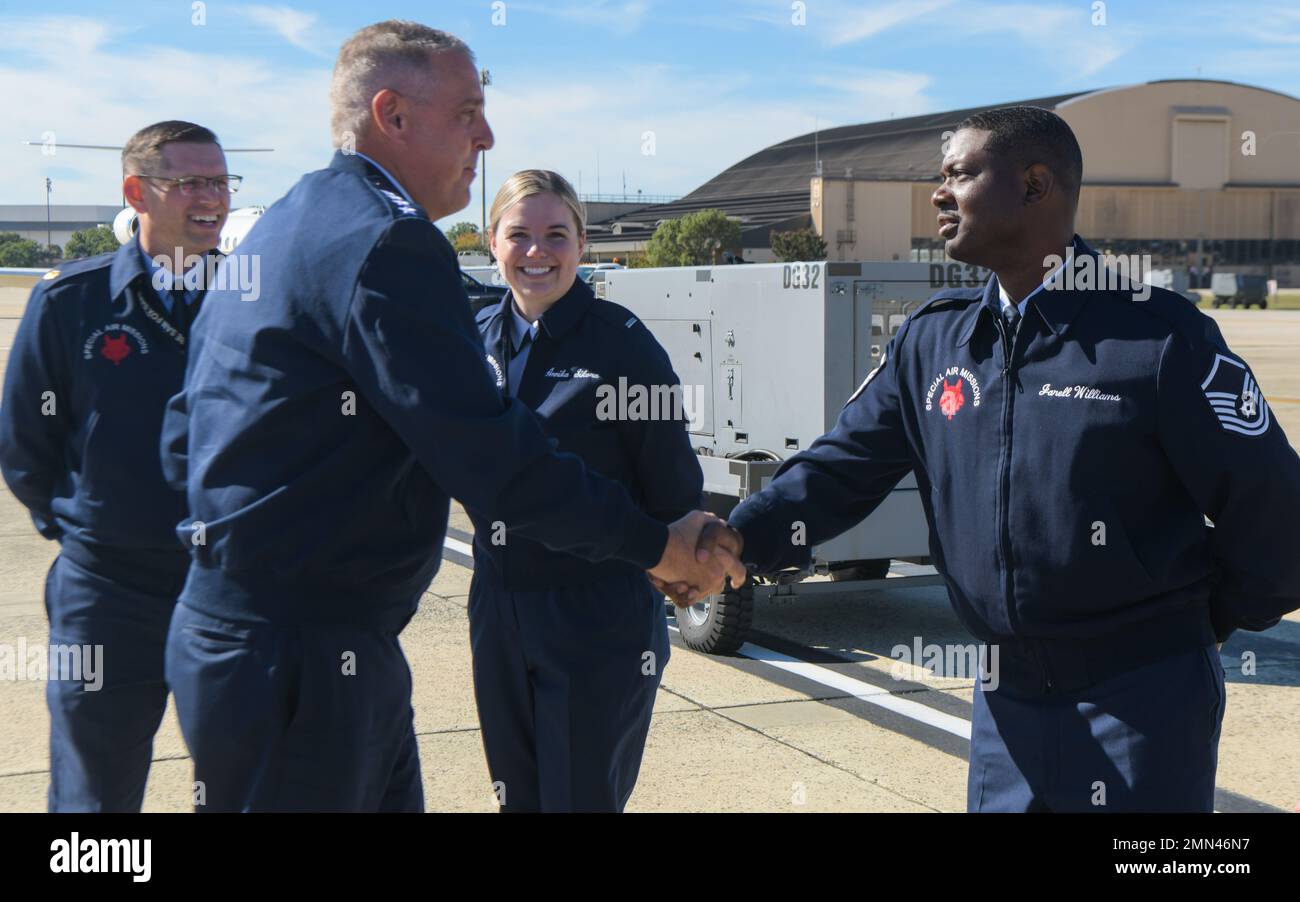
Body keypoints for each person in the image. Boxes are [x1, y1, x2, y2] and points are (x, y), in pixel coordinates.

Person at [158, 21, 739, 812]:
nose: (487, 134)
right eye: (468, 112)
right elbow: (494, 459)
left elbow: (183, 430)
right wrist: (655, 546)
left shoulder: (291, 223)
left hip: (279, 642)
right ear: (392, 115)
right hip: (302, 659)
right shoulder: (385, 243)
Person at [684, 106, 1300, 812]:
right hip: (1006, 704)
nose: (939, 195)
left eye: (959, 175)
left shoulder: (1156, 341)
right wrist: (739, 537)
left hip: (1142, 700)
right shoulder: (936, 341)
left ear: (1036, 186)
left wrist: (1196, 623)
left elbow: (1275, 511)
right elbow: (842, 467)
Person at [0, 121, 231, 811]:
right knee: (93, 790)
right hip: (107, 593)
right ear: (137, 192)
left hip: (229, 589)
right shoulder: (70, 301)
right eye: (191, 182)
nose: (212, 199)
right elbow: (24, 445)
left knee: (241, 778)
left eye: (221, 182)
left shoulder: (256, 298)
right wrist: (87, 527)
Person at [468, 170, 701, 812]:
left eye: (555, 235)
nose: (537, 252)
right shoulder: (472, 341)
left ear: (582, 243)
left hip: (596, 614)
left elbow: (675, 488)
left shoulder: (623, 347)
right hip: (497, 603)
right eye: (519, 234)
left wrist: (689, 567)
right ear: (492, 241)